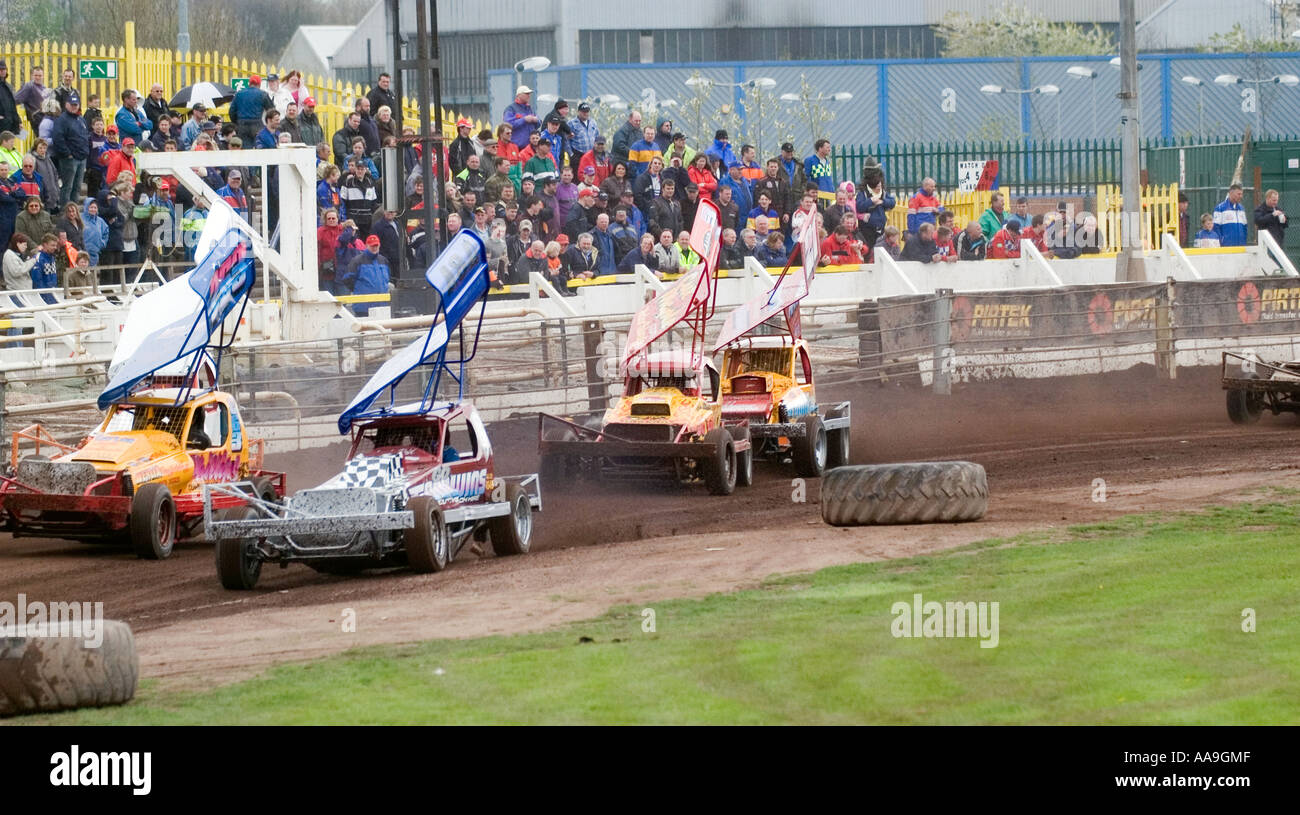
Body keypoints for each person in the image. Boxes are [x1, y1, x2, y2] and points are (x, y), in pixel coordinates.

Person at [51, 92, 89, 207]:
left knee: (77, 187)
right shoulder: (62, 120)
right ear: (66, 105)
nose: (74, 106)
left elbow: (85, 136)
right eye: (72, 104)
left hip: (81, 158)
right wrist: (68, 154)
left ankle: (74, 210)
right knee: (68, 186)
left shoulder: (81, 119)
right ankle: (64, 211)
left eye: (76, 104)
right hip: (69, 159)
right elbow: (58, 138)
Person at [340, 234, 390, 316]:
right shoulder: (357, 261)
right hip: (363, 307)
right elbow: (347, 279)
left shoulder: (383, 260)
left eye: (376, 245)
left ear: (379, 245)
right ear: (366, 245)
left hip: (382, 306)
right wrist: (359, 289)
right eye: (372, 246)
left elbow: (387, 279)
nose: (374, 248)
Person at [15, 66, 51, 132]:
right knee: (43, 140)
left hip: (46, 119)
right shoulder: (29, 86)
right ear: (32, 76)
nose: (37, 77)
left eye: (40, 75)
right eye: (35, 75)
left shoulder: (44, 88)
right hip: (37, 119)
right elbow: (15, 100)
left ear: (43, 76)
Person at [804, 139, 835, 206]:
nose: (829, 149)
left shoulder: (827, 162)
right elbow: (806, 177)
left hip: (829, 195)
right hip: (818, 195)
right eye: (827, 147)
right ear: (820, 148)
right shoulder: (810, 160)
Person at [0, 60, 21, 137]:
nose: (2, 71)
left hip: (10, 124)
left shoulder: (8, 86)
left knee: (9, 147)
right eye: (0, 70)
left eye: (4, 69)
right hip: (2, 125)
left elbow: (12, 106)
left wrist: (18, 121)